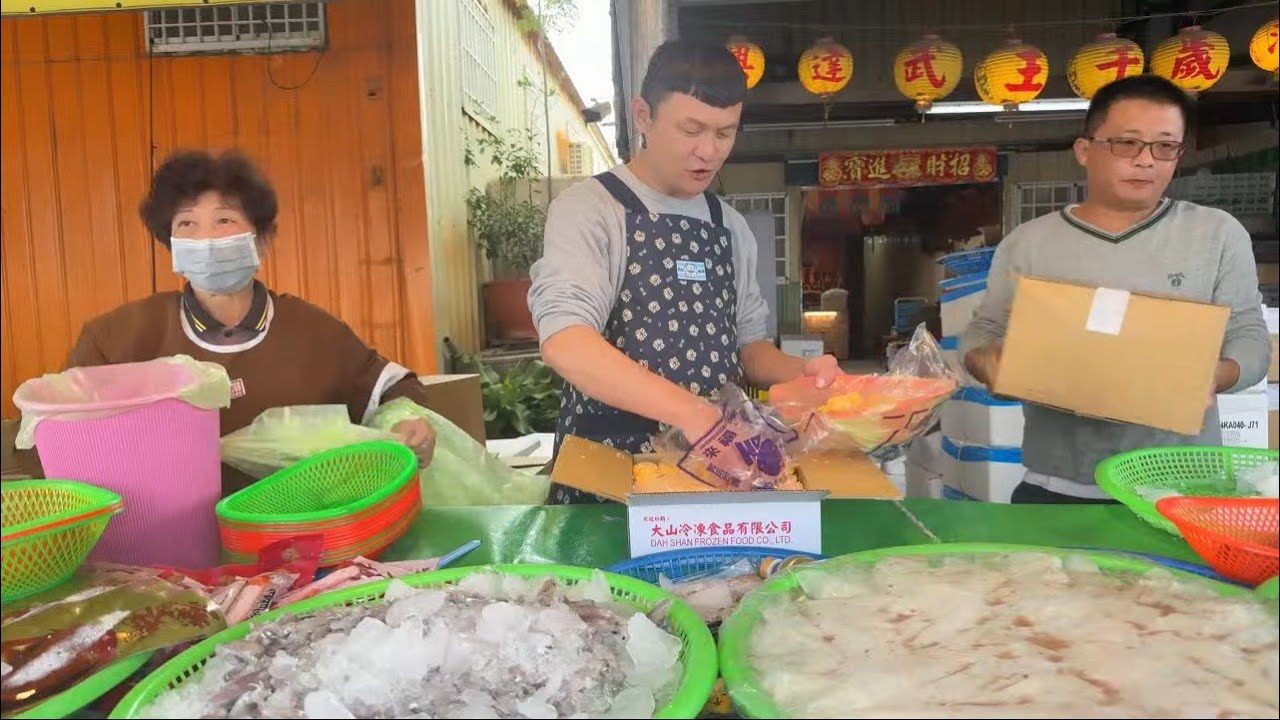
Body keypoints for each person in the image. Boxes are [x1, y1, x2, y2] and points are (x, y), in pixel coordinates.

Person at [528, 39, 841, 502]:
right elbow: (566, 343)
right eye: (691, 129)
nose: (708, 152)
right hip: (608, 480)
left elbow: (749, 349)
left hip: (713, 473)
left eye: (724, 132)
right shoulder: (591, 210)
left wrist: (802, 372)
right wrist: (695, 415)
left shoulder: (729, 227)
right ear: (642, 116)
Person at [962, 74, 1270, 504]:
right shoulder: (1028, 244)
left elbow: (1250, 336)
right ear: (1084, 150)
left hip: (1181, 489)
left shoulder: (1216, 234)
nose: (1146, 161)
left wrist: (1218, 374)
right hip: (1057, 485)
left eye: (1165, 146)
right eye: (1127, 143)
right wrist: (989, 363)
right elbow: (982, 333)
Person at [67, 149, 436, 495]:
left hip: (301, 538)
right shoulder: (116, 338)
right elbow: (60, 434)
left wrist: (404, 424)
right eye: (187, 224)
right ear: (172, 246)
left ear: (261, 239)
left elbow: (393, 389)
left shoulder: (313, 332)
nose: (206, 238)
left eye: (224, 220)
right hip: (166, 549)